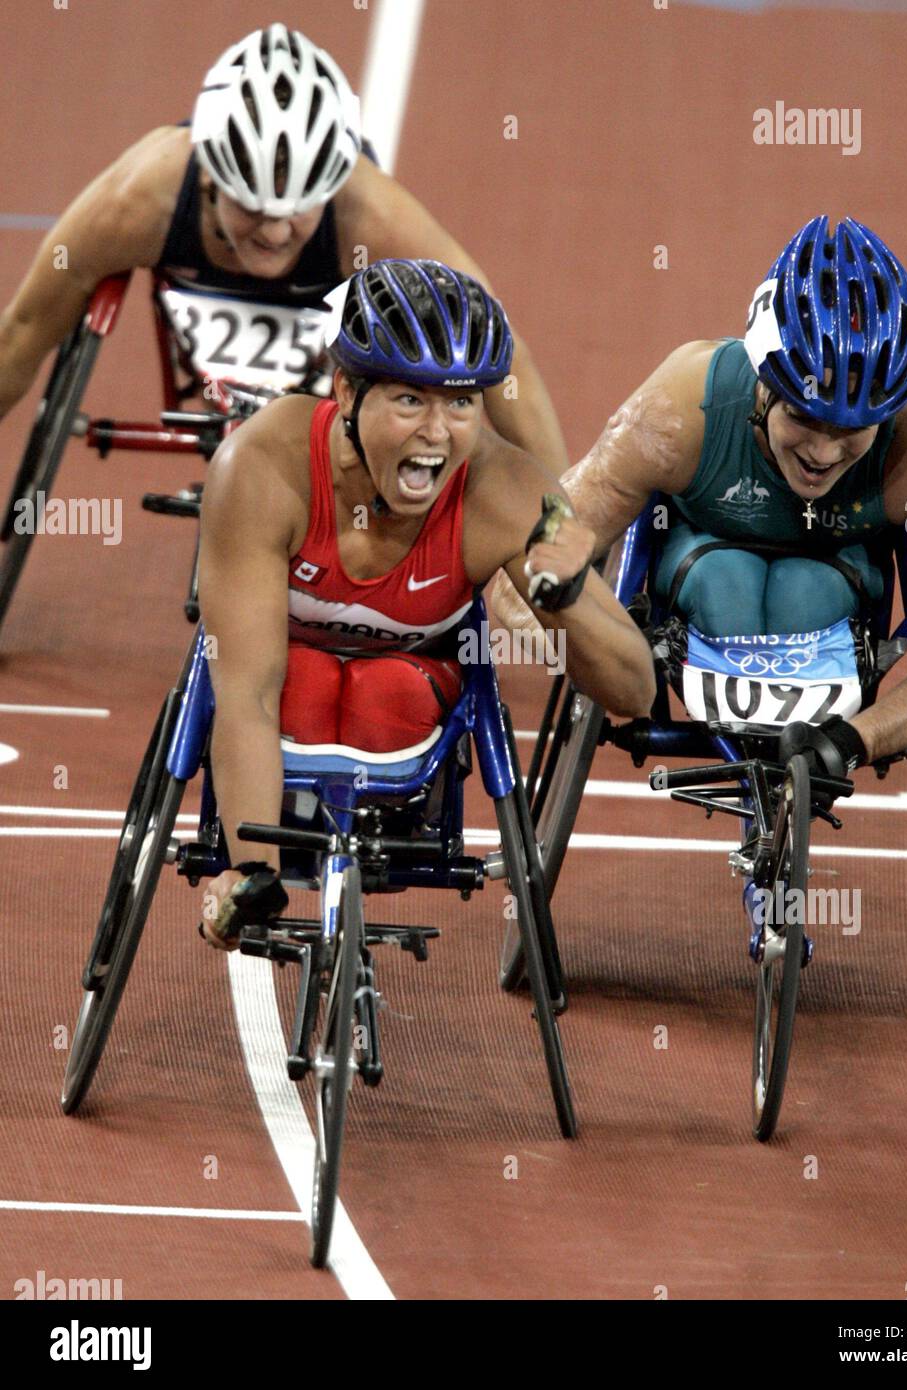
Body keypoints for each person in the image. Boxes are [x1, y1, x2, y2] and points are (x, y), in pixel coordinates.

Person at [197, 258, 656, 947]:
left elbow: (636, 689)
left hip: (409, 697)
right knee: (308, 683)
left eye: (462, 403)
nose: (439, 432)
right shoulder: (263, 468)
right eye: (411, 400)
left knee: (387, 695)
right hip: (285, 687)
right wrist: (252, 872)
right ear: (346, 391)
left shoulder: (508, 494)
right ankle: (290, 825)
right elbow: (248, 695)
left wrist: (565, 600)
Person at [493, 215, 907, 776]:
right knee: (727, 581)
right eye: (804, 417)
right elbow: (516, 573)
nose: (823, 451)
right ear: (763, 382)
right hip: (700, 597)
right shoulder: (676, 412)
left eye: (852, 431)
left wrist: (855, 739)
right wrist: (611, 656)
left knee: (803, 590)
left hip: (835, 622)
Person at [0, 24, 566, 468]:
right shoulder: (140, 198)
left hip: (323, 300)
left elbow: (500, 349)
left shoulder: (370, 214)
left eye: (297, 209)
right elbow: (21, 333)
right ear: (208, 181)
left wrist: (565, 515)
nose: (273, 232)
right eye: (253, 207)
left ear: (332, 188)